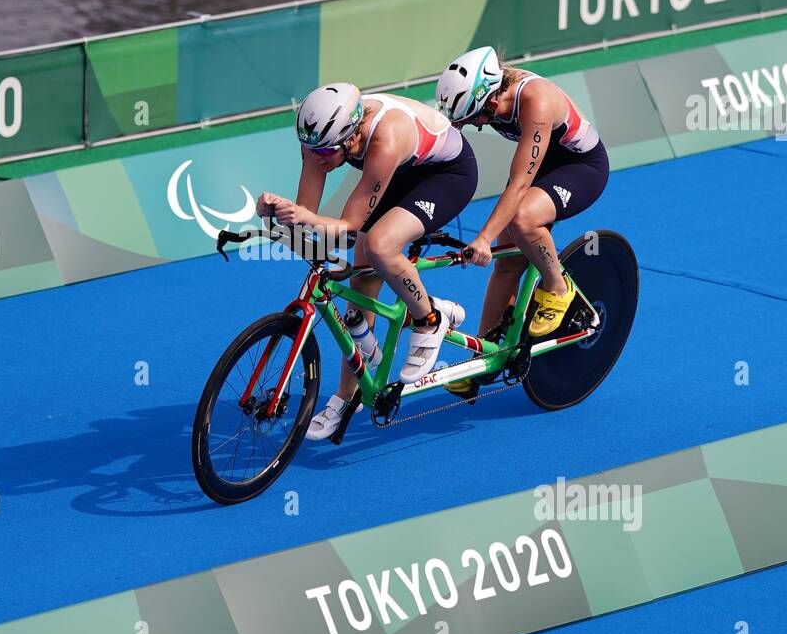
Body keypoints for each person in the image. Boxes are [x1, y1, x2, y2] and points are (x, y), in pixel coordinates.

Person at [257, 83, 478, 439]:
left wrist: (306, 220)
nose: (318, 158)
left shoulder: (386, 136)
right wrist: (276, 212)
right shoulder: (319, 136)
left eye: (327, 151)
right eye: (311, 151)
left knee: (378, 244)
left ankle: (430, 318)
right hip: (396, 172)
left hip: (445, 175)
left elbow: (348, 225)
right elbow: (307, 213)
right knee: (361, 286)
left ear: (351, 134)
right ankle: (349, 395)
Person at [435, 46, 610, 397]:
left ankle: (558, 288)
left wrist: (483, 237)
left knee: (523, 218)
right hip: (546, 169)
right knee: (507, 263)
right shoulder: (488, 101)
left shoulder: (537, 100)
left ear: (489, 98)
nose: (470, 126)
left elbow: (519, 183)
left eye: (472, 117)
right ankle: (485, 355)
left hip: (582, 169)